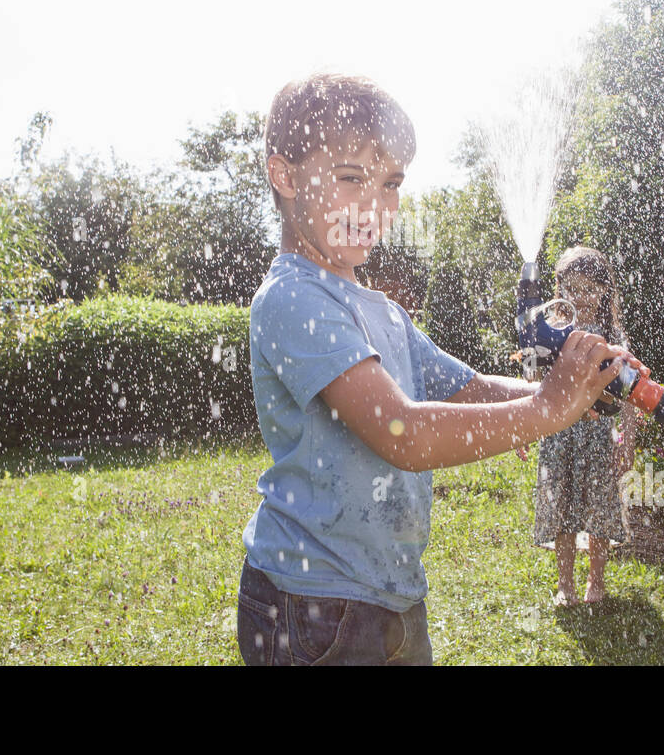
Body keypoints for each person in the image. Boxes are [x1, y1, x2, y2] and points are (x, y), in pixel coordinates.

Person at [237, 73, 638, 665]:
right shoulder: (294, 298)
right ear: (285, 176)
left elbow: (474, 388)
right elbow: (401, 431)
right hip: (311, 599)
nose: (377, 204)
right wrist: (546, 407)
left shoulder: (386, 313)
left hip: (392, 591)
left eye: (392, 183)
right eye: (352, 178)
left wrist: (575, 387)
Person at [516, 247, 638, 607]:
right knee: (563, 511)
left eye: (588, 289)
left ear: (604, 290)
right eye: (571, 289)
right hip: (559, 434)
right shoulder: (553, 331)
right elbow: (533, 382)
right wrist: (522, 426)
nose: (580, 297)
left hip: (599, 437)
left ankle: (595, 582)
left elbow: (629, 392)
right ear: (558, 291)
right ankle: (565, 584)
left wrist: (627, 440)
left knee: (598, 509)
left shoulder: (611, 335)